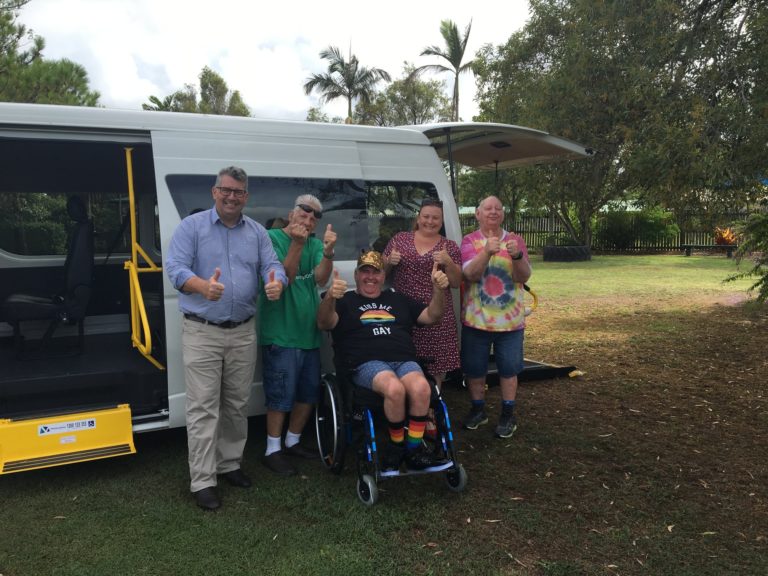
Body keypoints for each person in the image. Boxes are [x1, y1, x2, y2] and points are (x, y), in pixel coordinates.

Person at [165, 166, 287, 511]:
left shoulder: (258, 233)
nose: (232, 196)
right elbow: (175, 269)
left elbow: (271, 266)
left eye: (239, 192)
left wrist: (277, 282)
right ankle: (203, 480)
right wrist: (202, 286)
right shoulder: (192, 227)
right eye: (226, 190)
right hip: (202, 330)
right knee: (203, 407)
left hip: (243, 330)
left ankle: (229, 464)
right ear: (214, 192)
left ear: (246, 197)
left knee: (236, 404)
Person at [316, 250, 451, 472]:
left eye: (376, 272)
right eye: (365, 271)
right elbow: (324, 323)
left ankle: (414, 449)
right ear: (357, 275)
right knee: (394, 389)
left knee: (422, 388)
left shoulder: (397, 299)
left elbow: (432, 316)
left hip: (403, 359)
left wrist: (438, 291)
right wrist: (330, 296)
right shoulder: (345, 300)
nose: (370, 277)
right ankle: (396, 447)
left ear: (383, 276)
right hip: (366, 362)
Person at [258, 195, 336, 476]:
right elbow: (284, 277)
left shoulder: (315, 244)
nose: (309, 218)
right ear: (291, 213)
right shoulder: (269, 238)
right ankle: (272, 449)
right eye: (304, 212)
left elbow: (320, 278)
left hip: (308, 334)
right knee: (280, 396)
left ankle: (293, 441)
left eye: (315, 216)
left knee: (307, 393)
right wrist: (297, 243)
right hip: (281, 334)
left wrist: (327, 252)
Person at [460, 195, 532, 439]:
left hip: (510, 323)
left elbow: (523, 277)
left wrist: (517, 256)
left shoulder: (516, 241)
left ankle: (507, 413)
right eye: (487, 208)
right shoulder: (469, 241)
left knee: (509, 370)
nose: (493, 212)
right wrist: (486, 253)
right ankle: (478, 410)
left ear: (503, 214)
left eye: (497, 208)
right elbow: (469, 274)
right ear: (478, 214)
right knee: (474, 369)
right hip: (476, 320)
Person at [382, 197, 462, 389]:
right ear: (418, 218)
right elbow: (380, 276)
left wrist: (448, 262)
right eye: (426, 216)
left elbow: (457, 283)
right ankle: (410, 409)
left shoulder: (449, 246)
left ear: (441, 222)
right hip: (404, 314)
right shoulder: (399, 239)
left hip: (436, 314)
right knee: (404, 364)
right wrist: (388, 262)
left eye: (435, 218)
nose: (430, 221)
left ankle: (432, 411)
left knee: (436, 368)